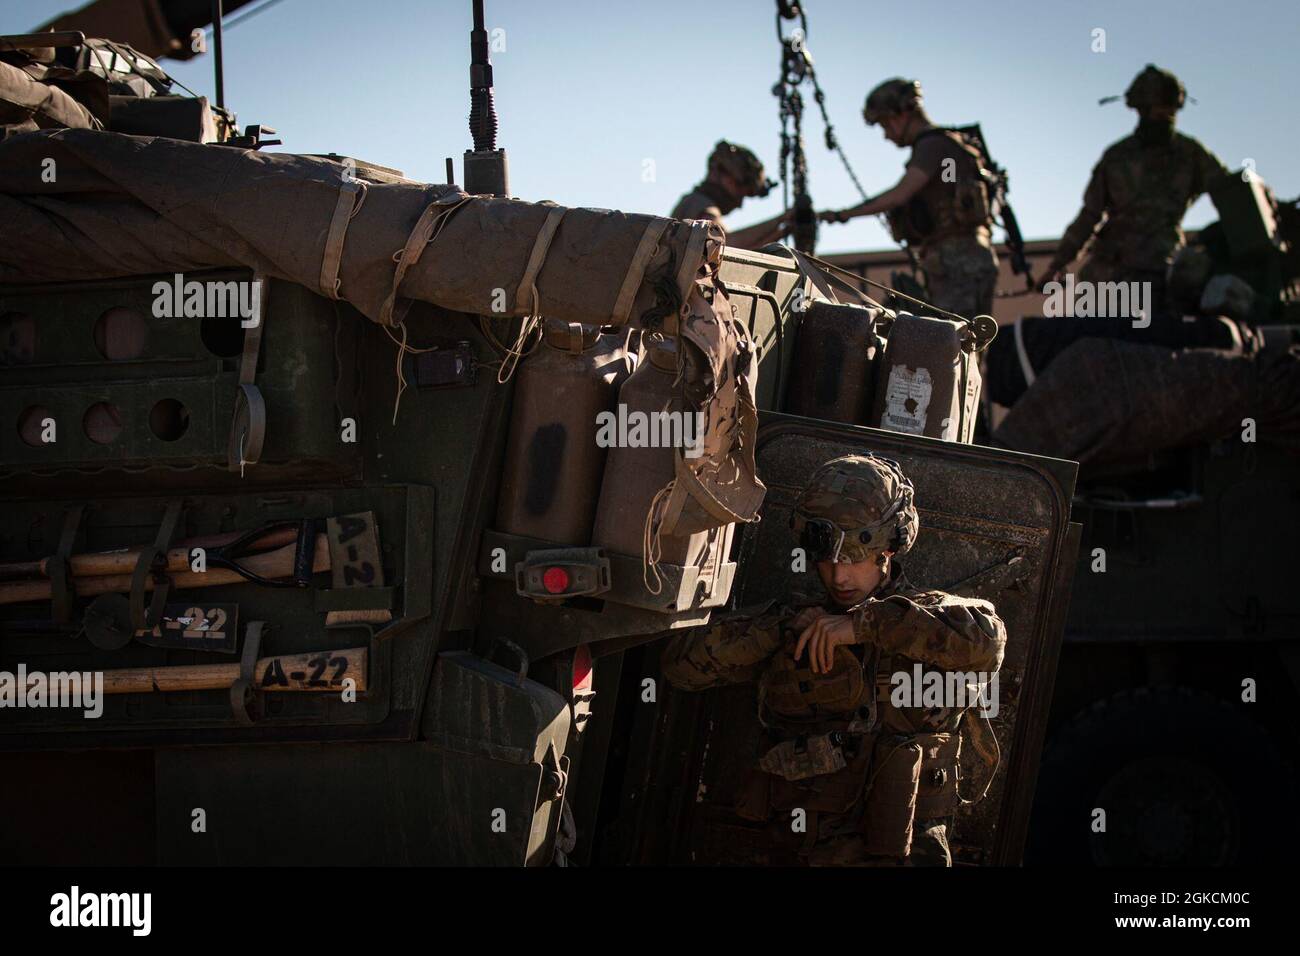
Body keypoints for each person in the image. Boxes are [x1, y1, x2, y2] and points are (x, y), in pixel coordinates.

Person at [660, 454, 1006, 866]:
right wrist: (783, 629)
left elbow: (988, 642)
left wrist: (865, 626)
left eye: (854, 560)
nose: (839, 577)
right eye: (827, 561)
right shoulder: (794, 627)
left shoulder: (931, 620)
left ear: (889, 549)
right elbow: (680, 667)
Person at [1037, 64, 1230, 307]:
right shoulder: (1117, 157)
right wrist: (1058, 264)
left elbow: (1229, 193)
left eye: (1170, 113)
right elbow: (1089, 215)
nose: (1165, 119)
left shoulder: (1191, 154)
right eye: (1159, 112)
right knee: (1087, 336)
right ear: (1141, 110)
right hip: (1110, 272)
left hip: (1161, 273)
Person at [816, 78, 999, 319]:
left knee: (950, 341)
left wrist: (844, 214)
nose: (886, 136)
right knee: (968, 344)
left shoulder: (933, 145)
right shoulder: (954, 142)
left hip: (956, 261)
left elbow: (899, 195)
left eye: (885, 125)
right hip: (972, 256)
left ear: (900, 114)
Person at [670, 140, 791, 248]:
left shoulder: (692, 201)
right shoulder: (700, 204)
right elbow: (725, 246)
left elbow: (740, 251)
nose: (739, 203)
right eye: (739, 188)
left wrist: (782, 230)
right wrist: (781, 220)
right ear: (720, 173)